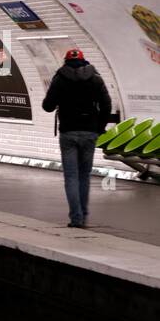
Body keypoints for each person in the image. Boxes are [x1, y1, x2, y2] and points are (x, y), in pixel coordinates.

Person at [42, 47, 112, 228]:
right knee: (84, 175)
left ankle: (76, 217)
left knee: (71, 176)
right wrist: (100, 126)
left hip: (68, 133)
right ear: (84, 61)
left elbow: (47, 106)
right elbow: (106, 104)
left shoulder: (59, 79)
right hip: (90, 133)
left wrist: (60, 98)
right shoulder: (95, 79)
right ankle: (84, 212)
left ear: (66, 61)